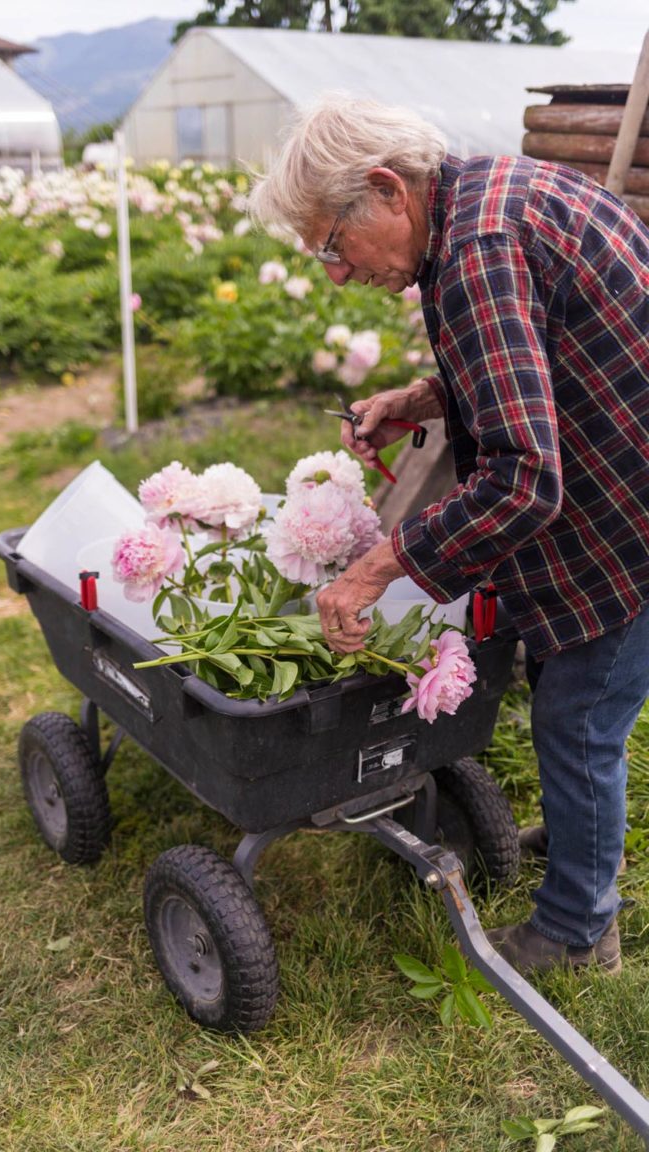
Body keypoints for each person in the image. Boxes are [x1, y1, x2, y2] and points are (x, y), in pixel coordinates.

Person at [247, 92, 649, 976]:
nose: (336, 274)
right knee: (570, 690)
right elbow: (530, 353)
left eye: (330, 245)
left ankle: (580, 932)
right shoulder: (488, 195)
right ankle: (587, 840)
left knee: (580, 713)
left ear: (388, 190)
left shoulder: (475, 253)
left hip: (632, 514)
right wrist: (420, 399)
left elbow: (523, 478)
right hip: (625, 466)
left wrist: (370, 573)